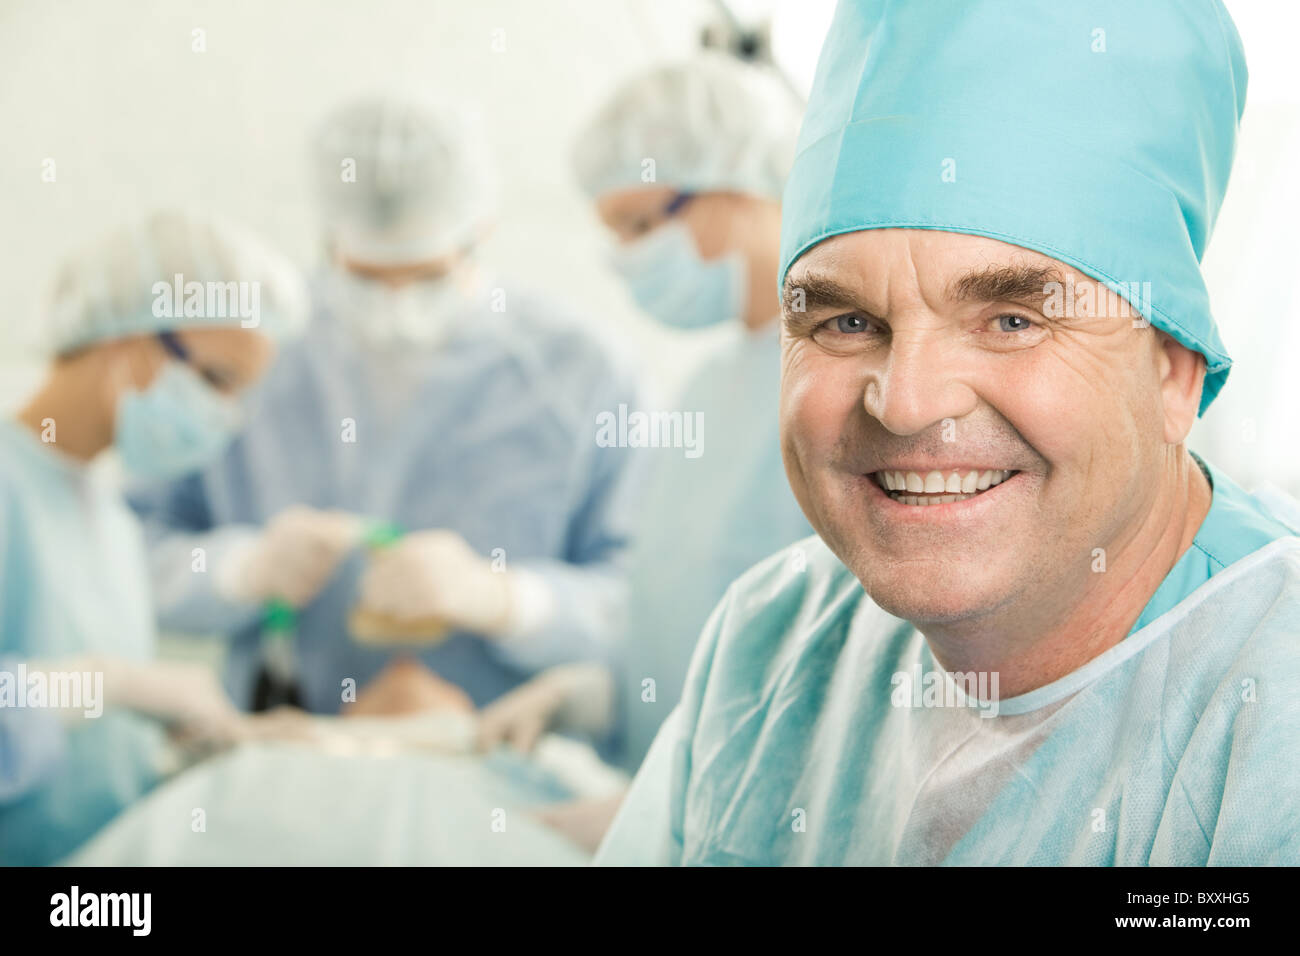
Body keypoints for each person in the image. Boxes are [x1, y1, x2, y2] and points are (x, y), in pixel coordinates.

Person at [596, 0, 1300, 866]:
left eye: (1011, 319)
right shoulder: (770, 641)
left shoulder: (1273, 715)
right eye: (847, 322)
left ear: (1173, 370)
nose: (906, 403)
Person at [129, 97, 644, 714]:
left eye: (426, 275)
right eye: (368, 276)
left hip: (501, 763)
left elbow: (641, 601)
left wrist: (506, 599)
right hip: (285, 750)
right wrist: (239, 569)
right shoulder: (250, 352)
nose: (396, 301)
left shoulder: (582, 373)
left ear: (481, 232)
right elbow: (127, 553)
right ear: (328, 242)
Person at [476, 55, 811, 849]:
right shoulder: (708, 388)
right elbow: (690, 614)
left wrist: (686, 813)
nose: (626, 258)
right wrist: (609, 693)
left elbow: (856, 675)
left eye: (639, 223)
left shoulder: (848, 384)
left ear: (741, 180)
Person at [0, 210, 307, 865]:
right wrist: (107, 683)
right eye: (217, 380)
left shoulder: (110, 523)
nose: (225, 417)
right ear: (128, 340)